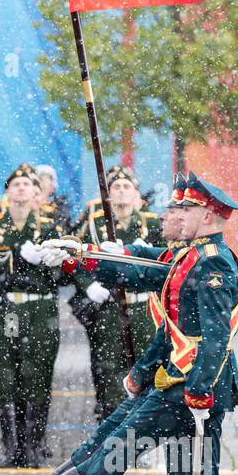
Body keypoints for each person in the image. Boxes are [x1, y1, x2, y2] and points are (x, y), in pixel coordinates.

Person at [0, 172, 238, 475]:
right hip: (173, 384)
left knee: (130, 458)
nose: (172, 215)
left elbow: (215, 336)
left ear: (206, 215)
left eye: (182, 210)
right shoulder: (184, 256)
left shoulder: (213, 263)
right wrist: (80, 257)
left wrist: (200, 391)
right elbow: (137, 266)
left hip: (190, 394)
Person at [0, 165, 62, 468]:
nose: (20, 188)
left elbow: (64, 273)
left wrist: (45, 261)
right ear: (7, 192)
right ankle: (12, 449)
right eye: (15, 184)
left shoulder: (49, 228)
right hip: (7, 310)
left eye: (27, 184)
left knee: (38, 378)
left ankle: (33, 446)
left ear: (36, 192)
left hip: (40, 308)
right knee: (7, 378)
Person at [67, 165, 164, 420]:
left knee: (147, 366)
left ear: (137, 195)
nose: (121, 192)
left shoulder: (153, 224)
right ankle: (111, 427)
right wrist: (87, 283)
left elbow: (169, 261)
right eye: (116, 188)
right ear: (107, 196)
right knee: (108, 368)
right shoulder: (94, 224)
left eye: (127, 187)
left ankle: (143, 427)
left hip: (143, 308)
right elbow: (75, 255)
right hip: (109, 308)